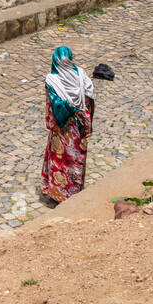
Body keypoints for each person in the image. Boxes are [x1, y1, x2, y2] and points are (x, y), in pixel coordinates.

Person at [40, 46, 96, 204]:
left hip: (62, 128)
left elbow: (52, 106)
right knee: (76, 158)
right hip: (79, 126)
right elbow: (90, 96)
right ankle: (75, 191)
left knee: (61, 160)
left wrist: (53, 124)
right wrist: (87, 120)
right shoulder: (81, 75)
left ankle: (60, 194)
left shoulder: (52, 80)